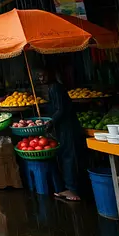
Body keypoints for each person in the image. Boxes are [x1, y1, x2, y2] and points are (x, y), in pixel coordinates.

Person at [40, 66, 82, 202]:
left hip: (67, 127)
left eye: (43, 75)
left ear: (51, 74)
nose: (41, 79)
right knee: (64, 156)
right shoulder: (52, 88)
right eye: (39, 76)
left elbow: (61, 110)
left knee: (69, 157)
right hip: (61, 127)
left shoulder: (56, 88)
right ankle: (66, 188)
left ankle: (73, 190)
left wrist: (50, 122)